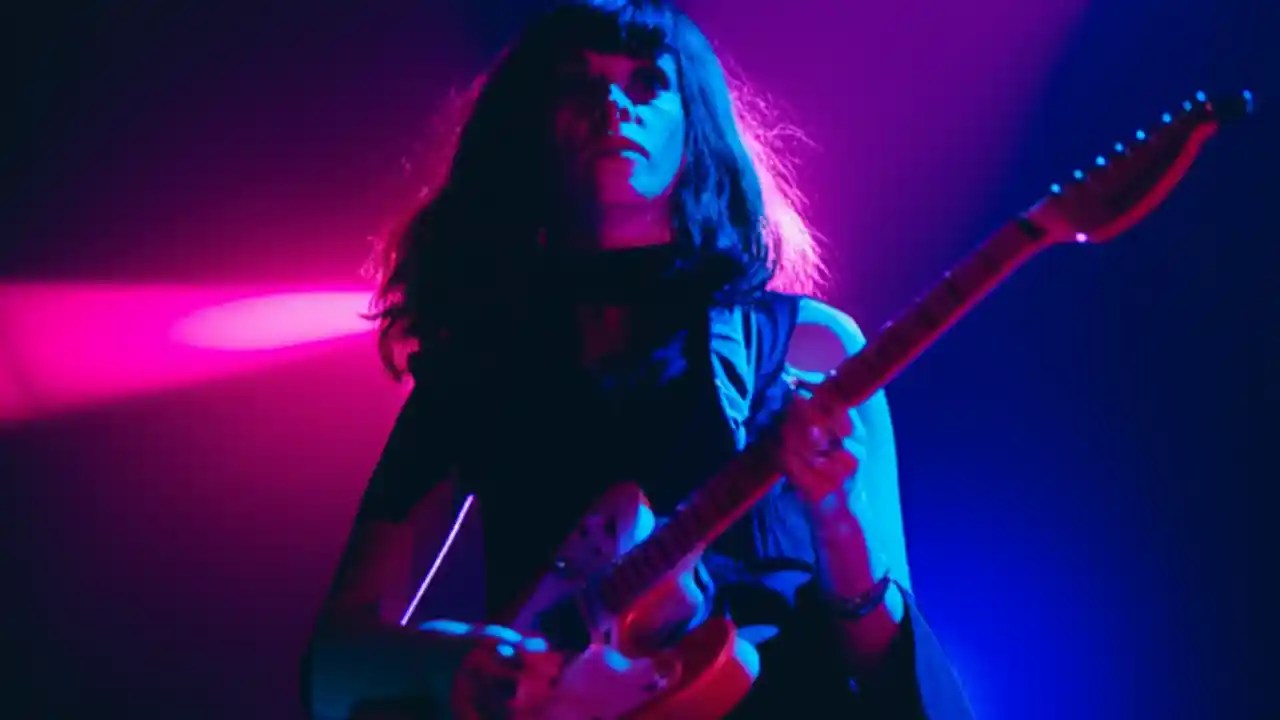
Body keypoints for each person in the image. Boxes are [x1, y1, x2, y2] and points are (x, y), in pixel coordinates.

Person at [302, 1, 975, 717]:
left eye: (650, 82)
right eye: (578, 84)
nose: (613, 103)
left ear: (697, 130)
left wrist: (839, 517)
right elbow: (336, 664)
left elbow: (887, 667)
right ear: (529, 129)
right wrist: (458, 666)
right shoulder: (477, 367)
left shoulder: (805, 348)